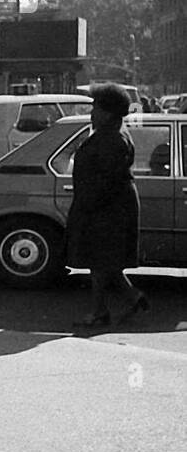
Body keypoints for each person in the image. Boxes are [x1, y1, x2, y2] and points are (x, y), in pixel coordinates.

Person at [68, 83, 148, 328]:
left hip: (108, 208)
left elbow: (105, 179)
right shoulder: (109, 134)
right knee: (105, 260)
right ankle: (133, 297)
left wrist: (87, 206)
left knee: (100, 262)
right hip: (108, 205)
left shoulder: (112, 139)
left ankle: (99, 311)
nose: (92, 113)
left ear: (108, 112)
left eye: (96, 108)